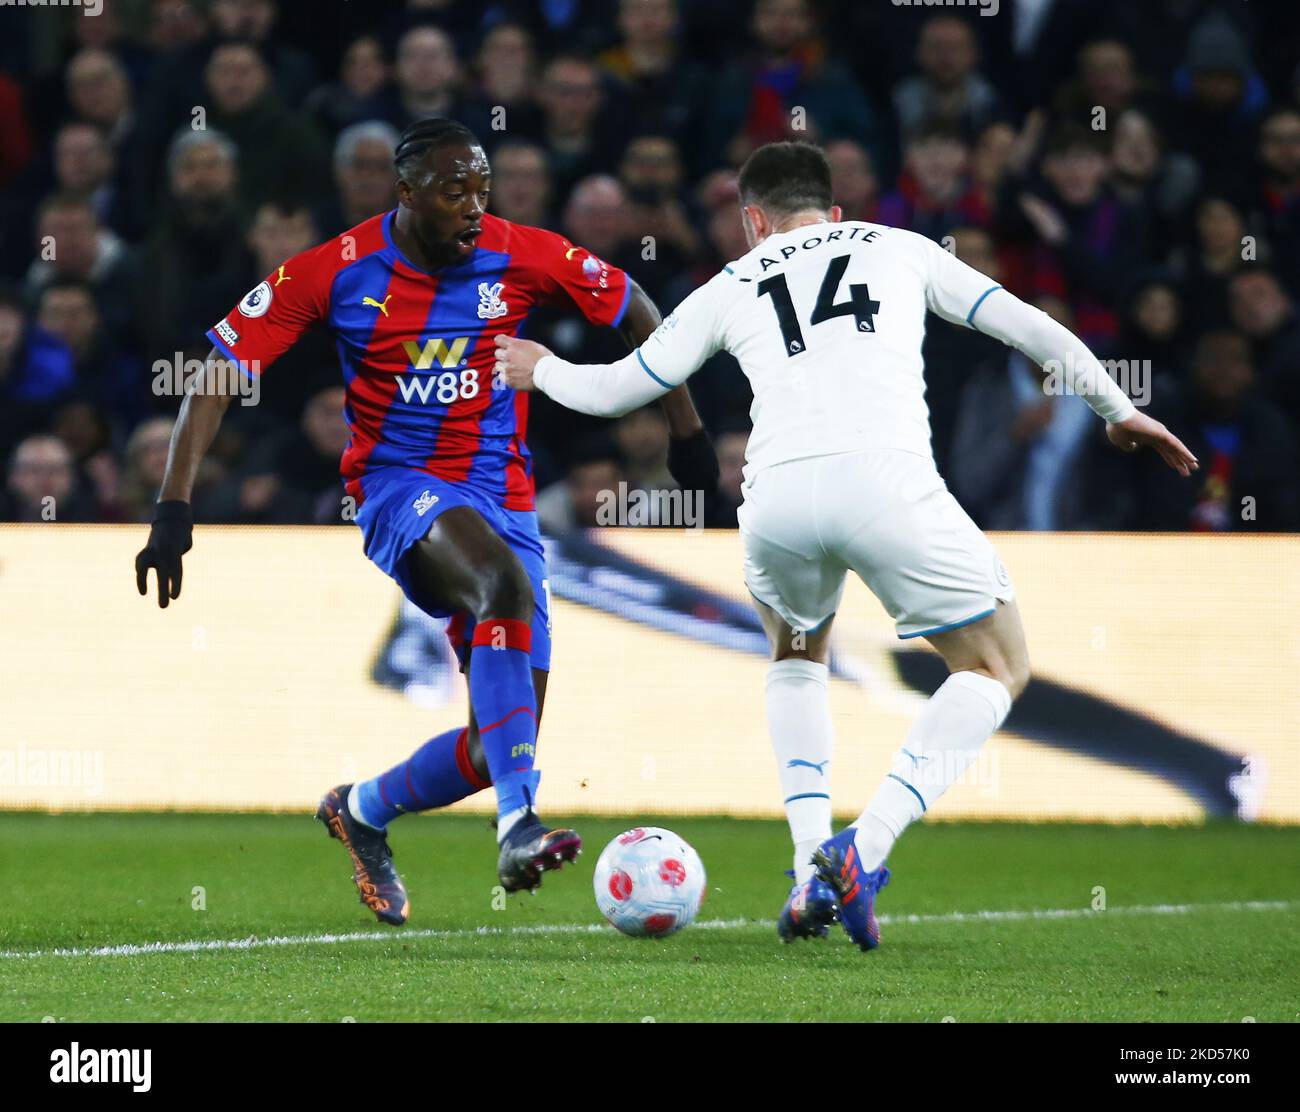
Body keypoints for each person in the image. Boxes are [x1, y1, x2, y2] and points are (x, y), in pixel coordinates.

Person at [494, 141, 1198, 952]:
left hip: (777, 498)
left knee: (796, 654)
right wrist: (1116, 408)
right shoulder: (901, 248)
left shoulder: (730, 283)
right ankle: (860, 853)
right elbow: (1031, 326)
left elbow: (621, 388)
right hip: (887, 487)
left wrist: (543, 367)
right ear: (832, 213)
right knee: (996, 666)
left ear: (752, 220)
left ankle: (807, 875)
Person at [134, 117, 717, 924]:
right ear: (405, 194)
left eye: (481, 186)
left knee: (494, 747)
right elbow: (221, 368)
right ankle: (518, 827)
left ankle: (362, 810)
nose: (475, 205)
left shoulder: (522, 252)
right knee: (500, 588)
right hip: (396, 490)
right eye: (454, 190)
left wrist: (686, 430)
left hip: (506, 501)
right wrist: (173, 503)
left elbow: (639, 305)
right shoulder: (336, 269)